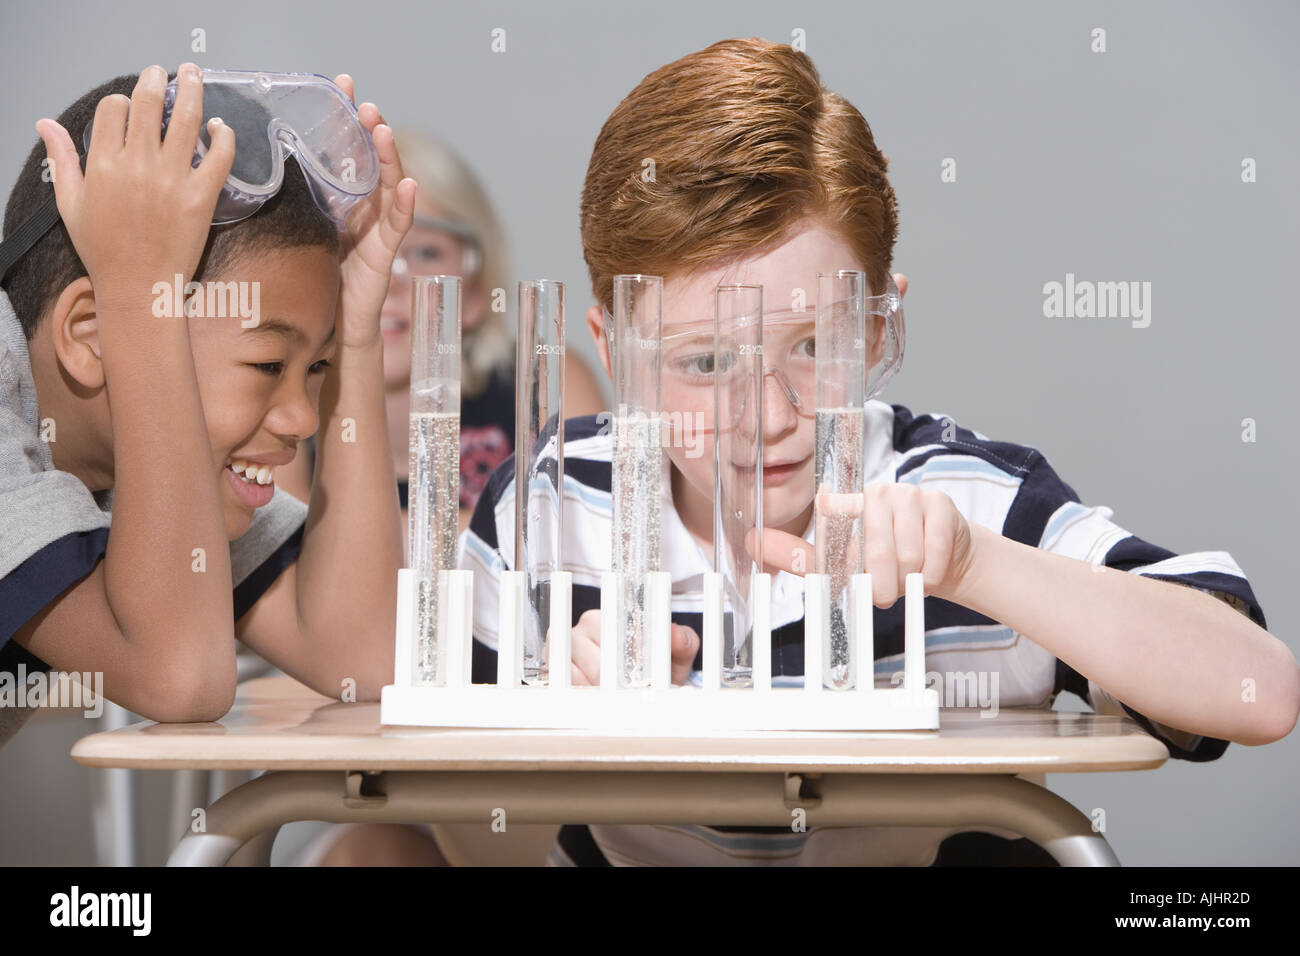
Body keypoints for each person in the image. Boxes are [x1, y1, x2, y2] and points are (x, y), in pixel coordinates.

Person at [460, 37, 1299, 865]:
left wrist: (974, 566)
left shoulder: (968, 503)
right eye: (705, 362)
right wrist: (549, 729)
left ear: (875, 328)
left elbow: (1255, 695)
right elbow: (459, 832)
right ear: (613, 354)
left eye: (813, 346)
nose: (765, 417)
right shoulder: (553, 506)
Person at [0, 64, 411, 746]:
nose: (303, 419)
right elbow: (180, 678)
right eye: (268, 364)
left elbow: (362, 657)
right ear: (89, 334)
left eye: (316, 368)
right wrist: (138, 302)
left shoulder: (130, 460)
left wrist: (357, 335)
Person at [275, 131, 605, 533]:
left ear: (476, 287)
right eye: (353, 247)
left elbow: (582, 533)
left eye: (424, 251)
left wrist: (340, 536)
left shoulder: (545, 380)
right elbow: (285, 564)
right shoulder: (281, 403)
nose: (385, 277)